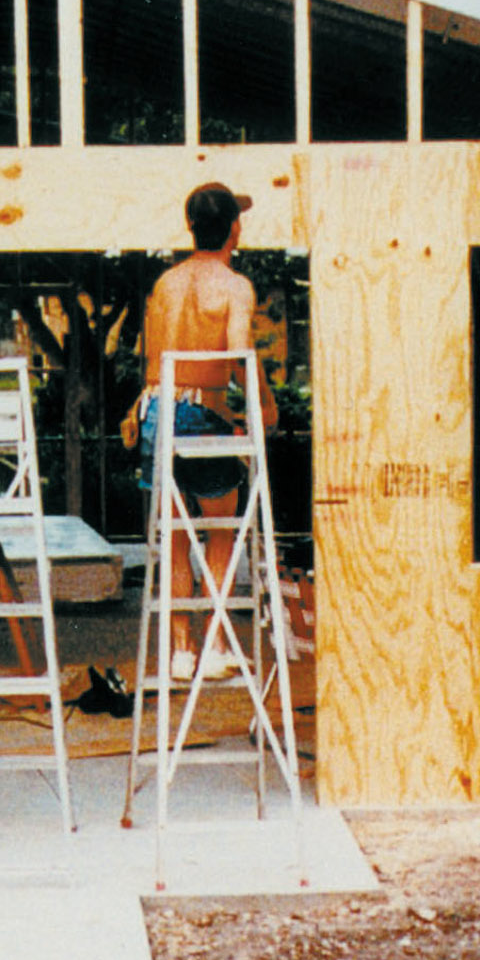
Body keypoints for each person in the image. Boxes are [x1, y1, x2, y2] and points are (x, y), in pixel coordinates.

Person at [138, 182, 275, 681]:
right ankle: (215, 643)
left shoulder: (165, 283)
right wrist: (264, 405)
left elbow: (153, 356)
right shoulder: (234, 286)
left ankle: (181, 650)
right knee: (221, 524)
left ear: (192, 226)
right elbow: (239, 354)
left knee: (176, 532)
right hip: (197, 413)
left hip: (156, 410)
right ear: (234, 228)